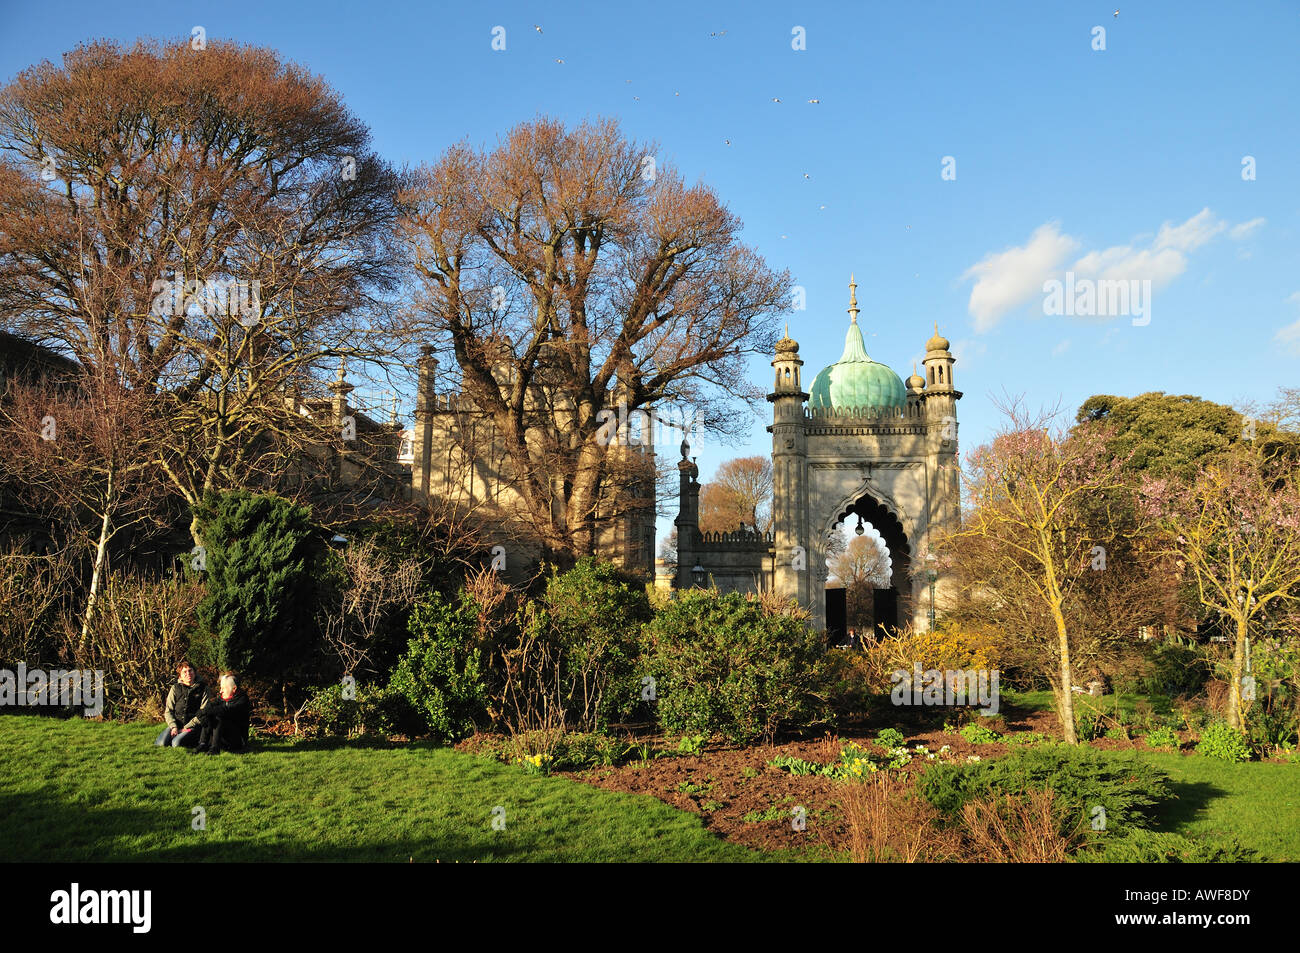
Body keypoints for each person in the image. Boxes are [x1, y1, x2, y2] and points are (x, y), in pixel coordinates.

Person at [192, 672, 252, 755]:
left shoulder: (242, 700)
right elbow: (209, 707)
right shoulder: (221, 698)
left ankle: (215, 748)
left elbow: (226, 710)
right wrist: (202, 713)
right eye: (220, 688)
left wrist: (206, 712)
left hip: (237, 739)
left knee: (218, 716)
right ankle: (203, 744)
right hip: (223, 736)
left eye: (223, 688)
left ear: (234, 689)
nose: (220, 691)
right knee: (209, 716)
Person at [154, 661, 209, 748]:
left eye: (190, 670)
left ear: (194, 672)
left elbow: (204, 712)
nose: (188, 674)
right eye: (184, 672)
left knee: (176, 744)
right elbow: (168, 710)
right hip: (176, 724)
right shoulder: (175, 688)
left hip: (193, 726)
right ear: (180, 676)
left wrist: (186, 727)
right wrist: (173, 727)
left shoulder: (203, 688)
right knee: (161, 744)